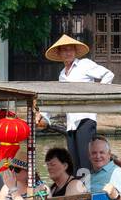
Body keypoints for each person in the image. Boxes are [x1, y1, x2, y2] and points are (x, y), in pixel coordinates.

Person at [39, 34, 114, 180]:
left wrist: (96, 96)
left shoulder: (85, 64)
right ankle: (77, 195)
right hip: (71, 123)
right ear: (60, 53)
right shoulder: (62, 75)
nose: (68, 53)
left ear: (75, 51)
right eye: (64, 50)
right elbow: (58, 98)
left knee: (86, 162)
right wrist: (44, 115)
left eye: (71, 49)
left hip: (85, 118)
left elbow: (108, 74)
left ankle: (88, 196)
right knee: (74, 163)